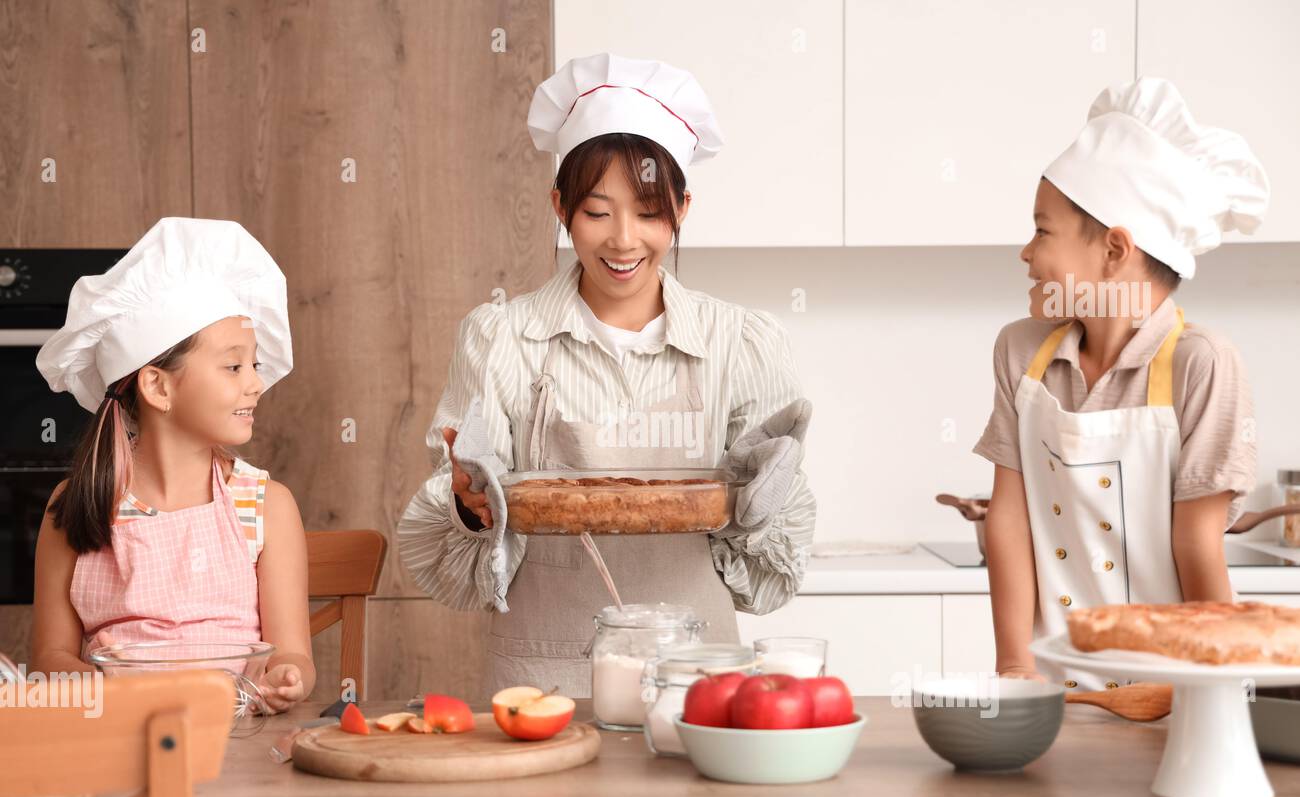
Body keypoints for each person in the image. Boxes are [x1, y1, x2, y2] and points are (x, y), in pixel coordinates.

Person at [399, 53, 816, 698]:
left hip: (699, 672)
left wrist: (759, 507)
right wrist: (470, 505)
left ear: (683, 207)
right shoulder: (499, 336)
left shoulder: (742, 342)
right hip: (544, 674)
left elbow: (773, 558)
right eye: (598, 212)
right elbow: (456, 543)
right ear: (560, 206)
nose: (624, 240)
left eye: (649, 212)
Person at [974, 78, 1269, 688]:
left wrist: (1218, 693)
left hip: (1168, 685)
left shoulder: (1201, 364)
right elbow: (1009, 519)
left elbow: (1196, 546)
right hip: (1050, 682)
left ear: (1114, 248)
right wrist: (1013, 666)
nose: (1025, 253)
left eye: (1043, 230)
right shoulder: (1022, 352)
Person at [31, 217, 314, 713]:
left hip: (237, 751)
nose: (254, 384)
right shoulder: (74, 506)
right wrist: (120, 694)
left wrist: (289, 677)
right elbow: (50, 659)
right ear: (158, 386)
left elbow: (292, 654)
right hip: (115, 742)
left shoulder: (267, 506)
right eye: (233, 366)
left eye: (254, 365)